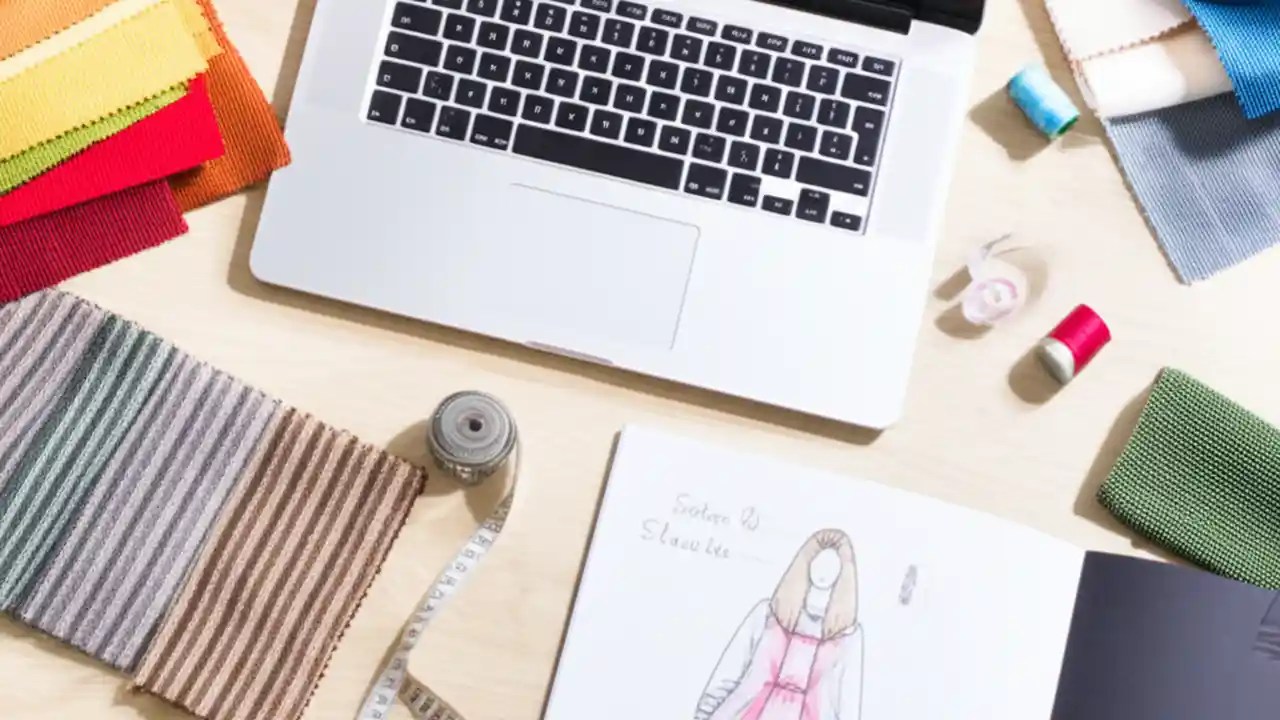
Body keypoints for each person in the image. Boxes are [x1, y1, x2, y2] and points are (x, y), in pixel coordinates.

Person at [695, 529, 864, 720]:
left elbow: (848, 704)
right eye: (819, 559)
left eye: (833, 564)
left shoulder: (848, 635)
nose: (824, 570)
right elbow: (729, 671)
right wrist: (704, 714)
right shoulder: (767, 613)